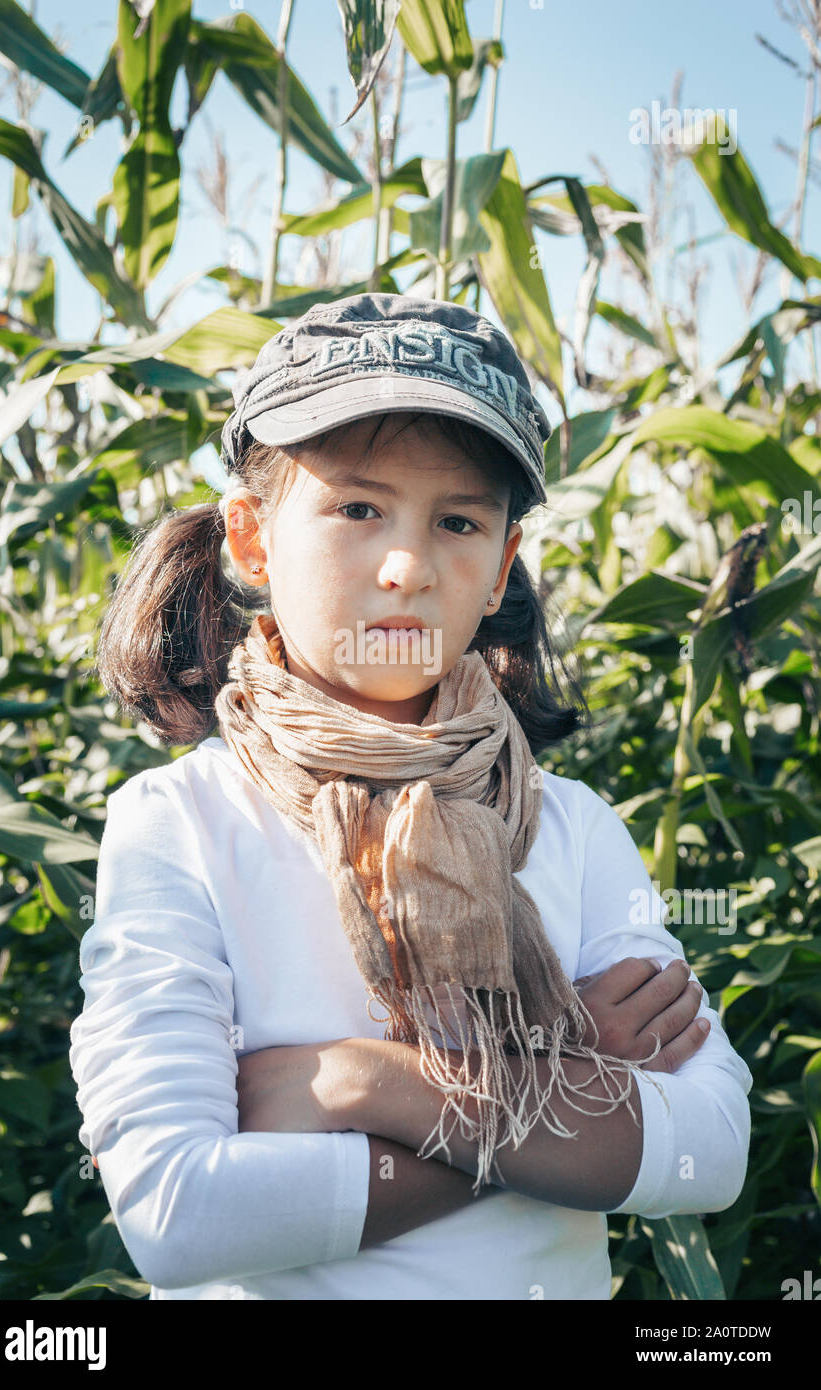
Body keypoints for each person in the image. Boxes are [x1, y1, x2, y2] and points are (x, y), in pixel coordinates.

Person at [69, 292, 752, 1301]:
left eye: (458, 521)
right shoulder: (181, 826)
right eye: (356, 507)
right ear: (252, 540)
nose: (406, 565)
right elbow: (177, 1213)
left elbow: (710, 1155)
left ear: (498, 569)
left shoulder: (569, 826)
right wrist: (563, 1074)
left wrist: (366, 1084)